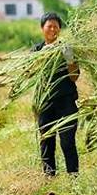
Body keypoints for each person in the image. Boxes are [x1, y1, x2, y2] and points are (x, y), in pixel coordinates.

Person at [32, 12, 80, 177]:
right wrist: (42, 56)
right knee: (47, 140)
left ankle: (73, 177)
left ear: (60, 30)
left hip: (66, 102)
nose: (52, 29)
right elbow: (30, 74)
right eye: (49, 26)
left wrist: (70, 60)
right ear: (42, 29)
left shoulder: (66, 48)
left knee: (67, 142)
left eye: (56, 27)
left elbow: (74, 77)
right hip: (45, 103)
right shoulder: (37, 50)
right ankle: (49, 176)